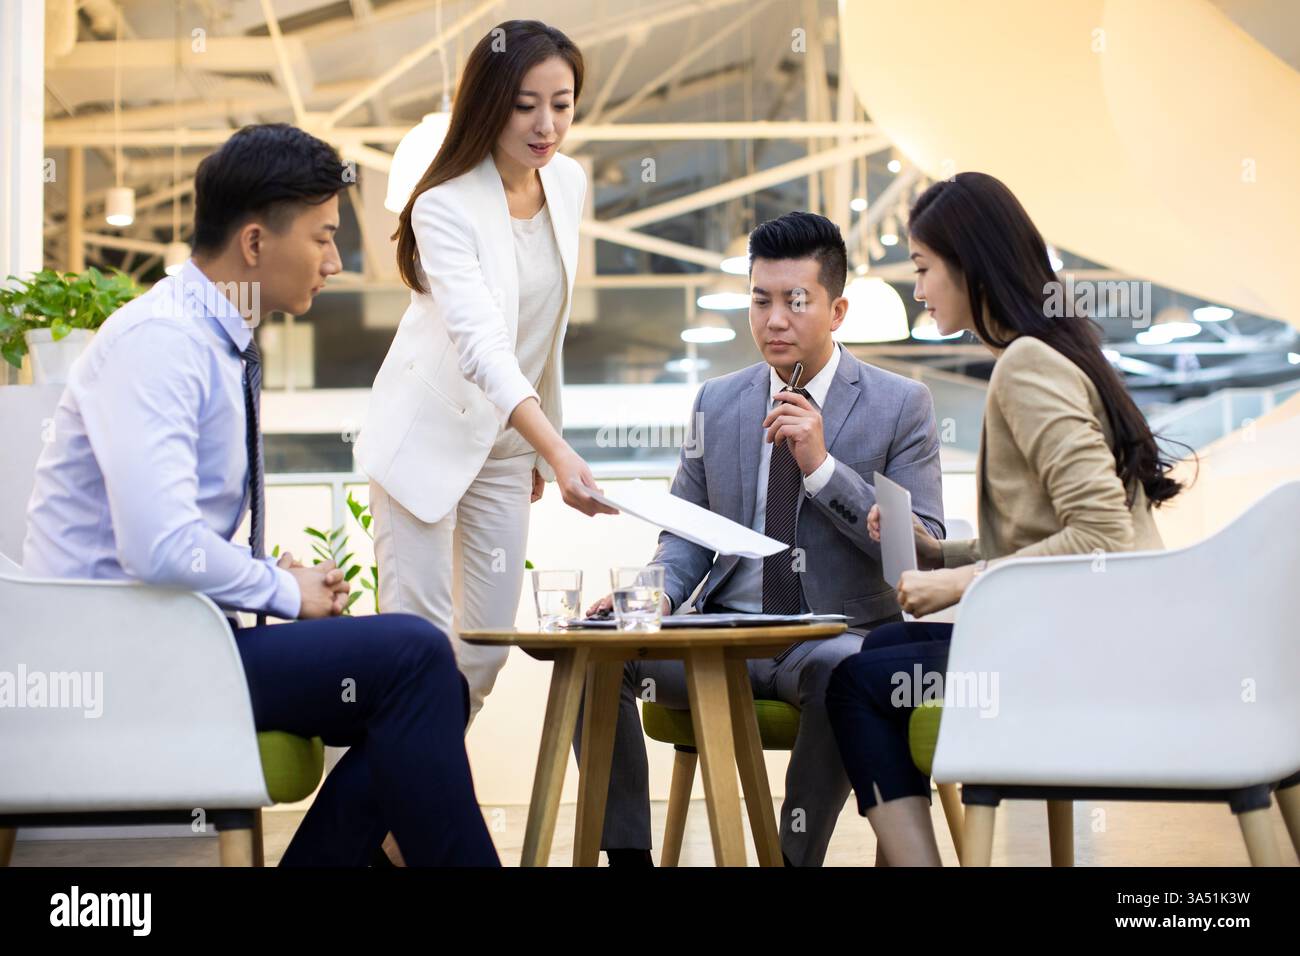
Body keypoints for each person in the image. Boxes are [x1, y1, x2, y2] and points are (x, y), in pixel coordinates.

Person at [22, 123, 499, 868]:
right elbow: (155, 546)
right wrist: (281, 589)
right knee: (414, 658)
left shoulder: (212, 341)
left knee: (415, 688)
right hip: (120, 658)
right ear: (254, 244)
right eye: (323, 238)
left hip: (173, 641)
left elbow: (171, 535)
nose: (336, 263)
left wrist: (258, 576)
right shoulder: (163, 344)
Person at [825, 171, 1184, 866]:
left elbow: (1101, 537)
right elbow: (1056, 533)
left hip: (1089, 658)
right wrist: (937, 555)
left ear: (971, 265)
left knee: (856, 682)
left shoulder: (1027, 364)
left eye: (925, 269)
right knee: (880, 653)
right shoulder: (1051, 349)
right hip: (1089, 640)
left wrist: (964, 587)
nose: (919, 290)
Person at [581, 212, 946, 866]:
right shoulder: (717, 404)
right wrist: (650, 599)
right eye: (760, 300)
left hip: (832, 643)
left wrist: (824, 469)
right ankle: (627, 859)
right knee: (597, 655)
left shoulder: (901, 405)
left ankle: (791, 862)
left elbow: (920, 553)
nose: (774, 319)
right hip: (725, 639)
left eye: (795, 301)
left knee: (844, 671)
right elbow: (686, 537)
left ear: (836, 310)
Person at [356, 19, 615, 724]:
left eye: (561, 103)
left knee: (483, 650)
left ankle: (398, 807)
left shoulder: (567, 182)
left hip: (504, 446)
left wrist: (536, 442)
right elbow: (483, 345)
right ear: (488, 102)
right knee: (418, 646)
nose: (546, 123)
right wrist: (558, 451)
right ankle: (410, 827)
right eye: (525, 103)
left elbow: (547, 330)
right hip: (425, 439)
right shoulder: (443, 204)